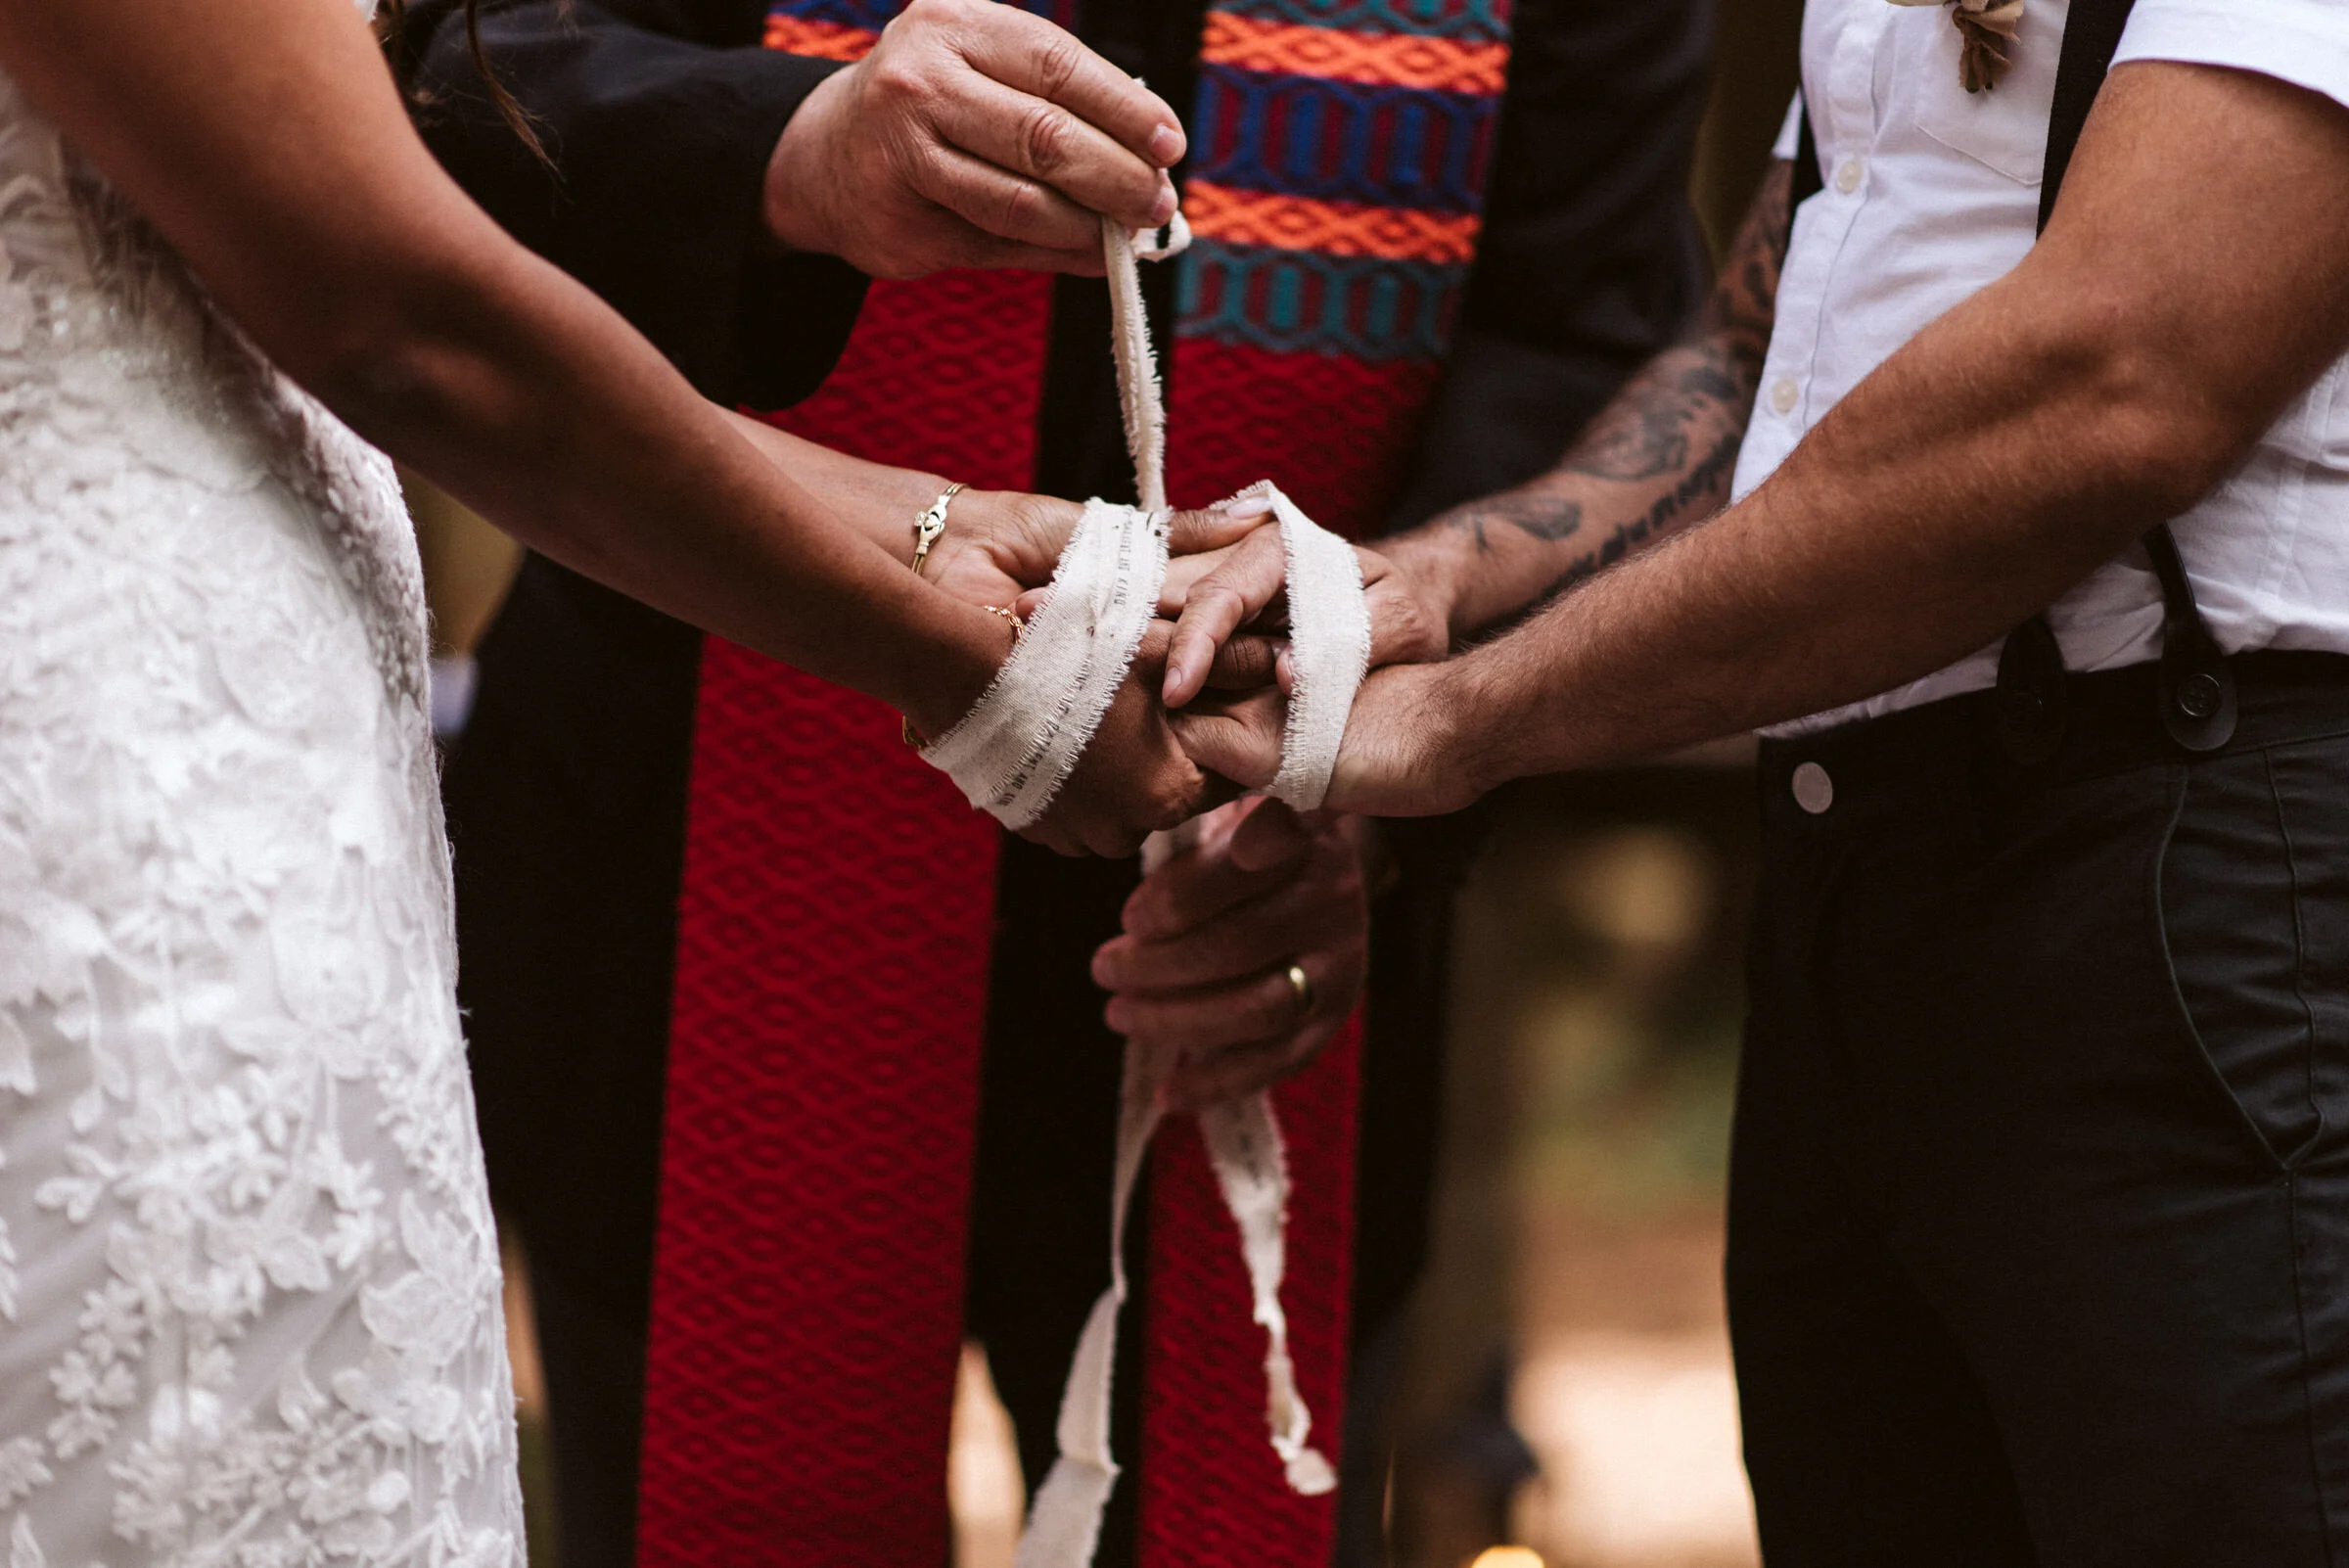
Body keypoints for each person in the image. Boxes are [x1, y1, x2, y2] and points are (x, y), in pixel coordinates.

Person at [403, 0, 1710, 1559]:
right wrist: (783, 148)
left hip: (1268, 922)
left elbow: (1584, 336)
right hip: (694, 888)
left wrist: (1371, 778)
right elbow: (436, 94)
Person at [0, 0, 1228, 1558]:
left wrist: (924, 529)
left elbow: (275, 252)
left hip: (273, 756)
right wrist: (961, 668)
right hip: (131, 812)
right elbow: (394, 312)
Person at [1174, 0, 2349, 1556]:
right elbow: (1764, 349)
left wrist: (1470, 715)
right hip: (1863, 877)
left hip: (2205, 874)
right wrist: (1443, 576)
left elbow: (2120, 373)